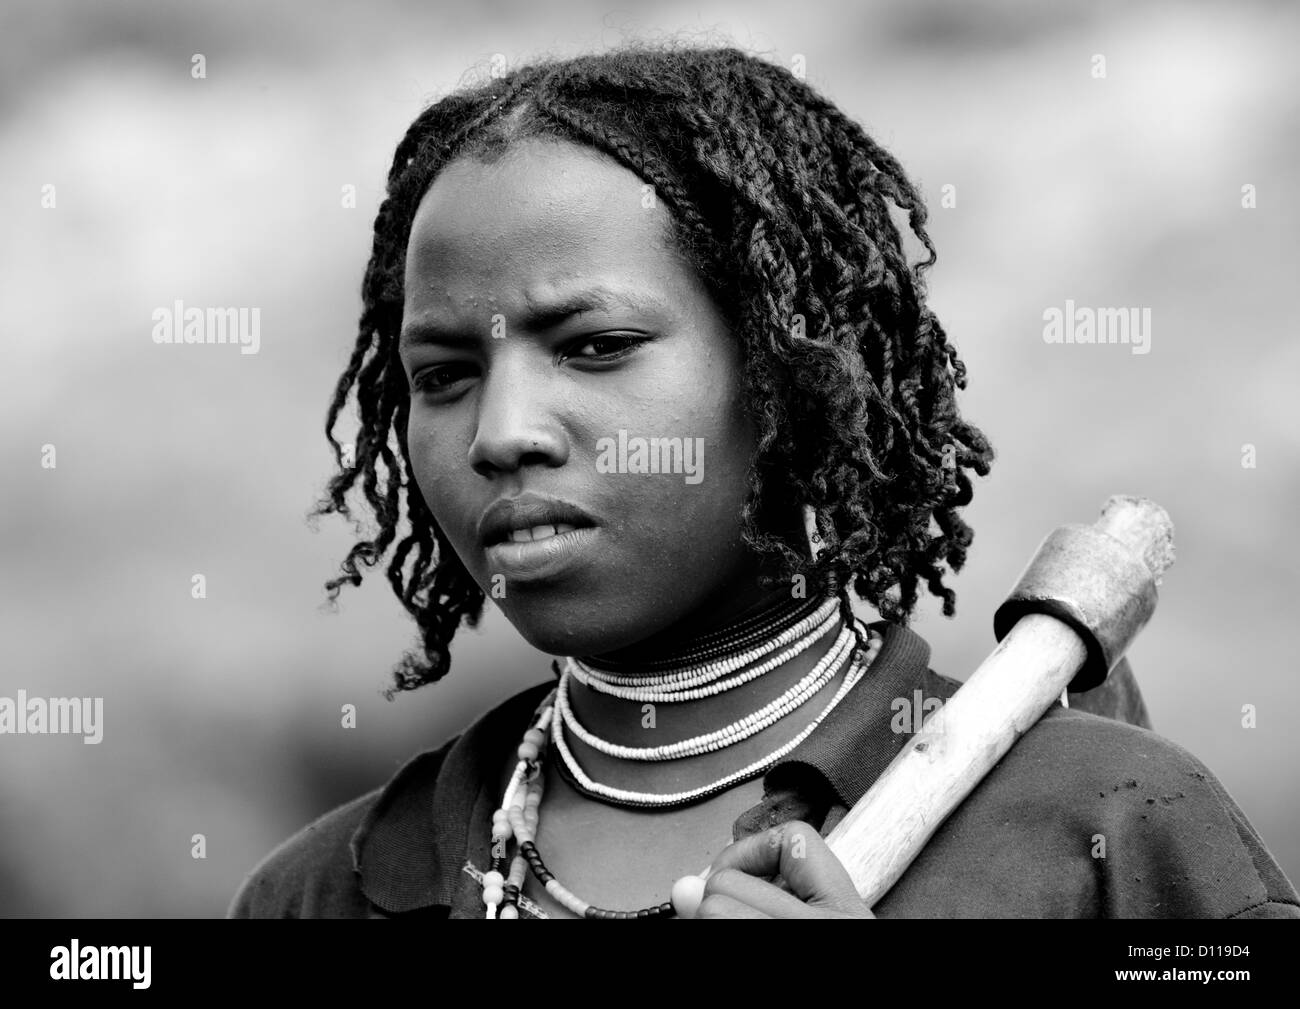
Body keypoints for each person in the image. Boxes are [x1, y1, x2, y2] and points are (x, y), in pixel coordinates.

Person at [227, 44, 1299, 919]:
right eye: (444, 375)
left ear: (792, 372)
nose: (500, 435)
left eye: (595, 344)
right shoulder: (324, 890)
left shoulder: (1104, 832)